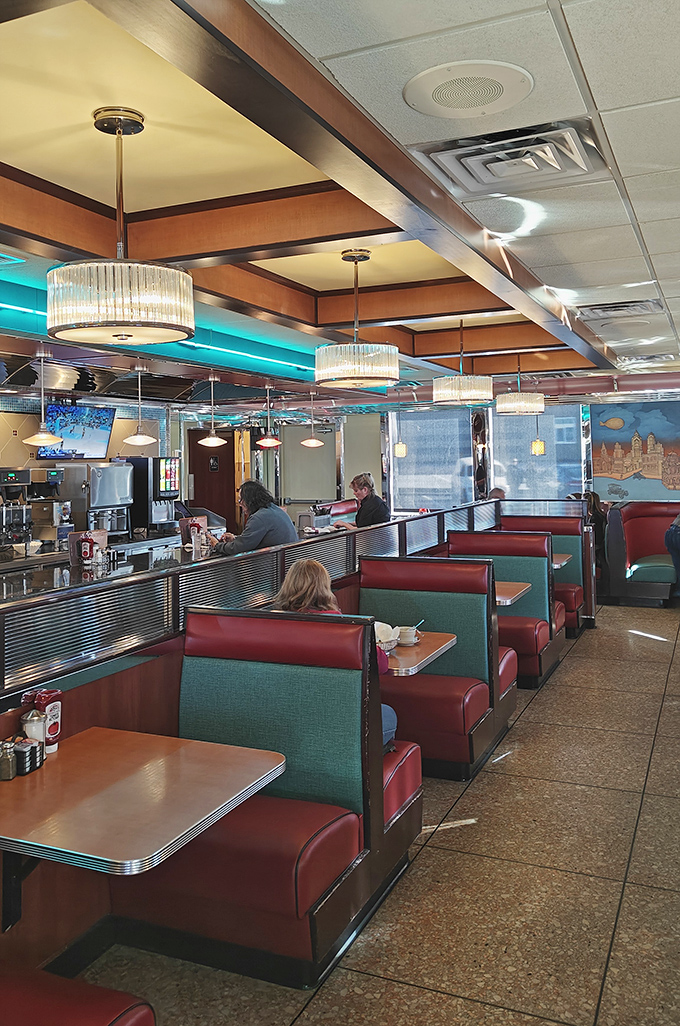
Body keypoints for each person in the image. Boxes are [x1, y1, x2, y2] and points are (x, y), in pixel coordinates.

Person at [273, 559, 398, 750]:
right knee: (387, 714)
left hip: (284, 720)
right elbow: (381, 665)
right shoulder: (345, 627)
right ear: (325, 587)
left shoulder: (270, 624)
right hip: (336, 720)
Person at [207, 480, 297, 556]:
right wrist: (235, 539)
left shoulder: (259, 518)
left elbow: (239, 548)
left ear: (250, 500)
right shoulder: (273, 509)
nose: (240, 504)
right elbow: (251, 540)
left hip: (273, 568)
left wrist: (216, 545)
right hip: (287, 562)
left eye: (241, 499)